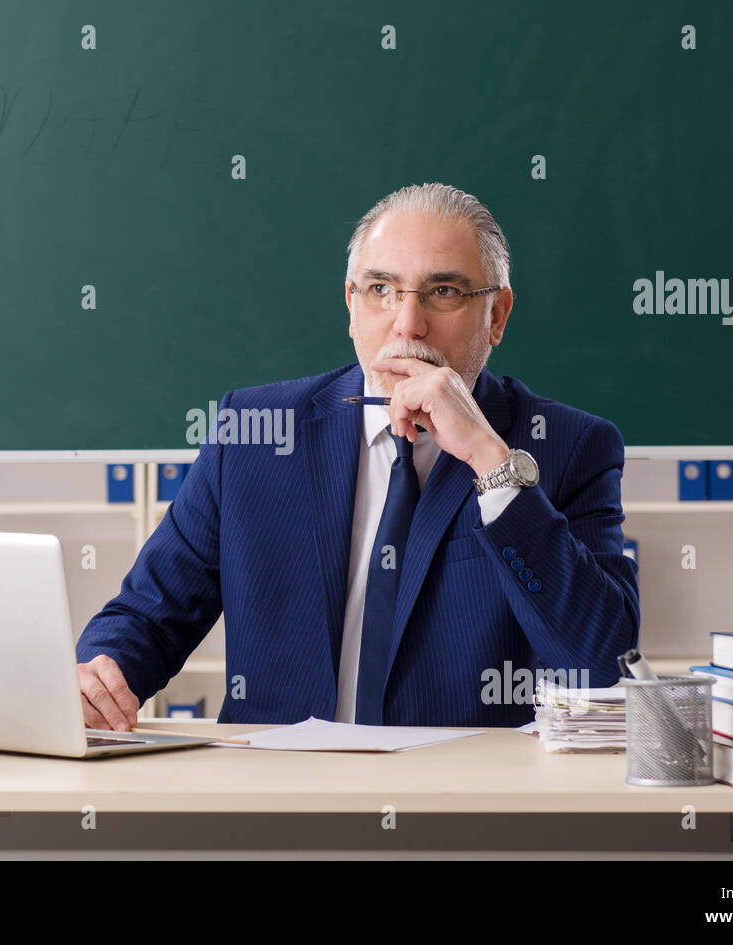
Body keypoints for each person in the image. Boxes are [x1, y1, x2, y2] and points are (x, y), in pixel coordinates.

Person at [75, 182, 639, 728]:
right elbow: (148, 617)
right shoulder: (252, 435)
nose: (407, 323)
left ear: (496, 316)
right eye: (381, 290)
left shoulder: (569, 447)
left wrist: (491, 464)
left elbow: (599, 665)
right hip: (278, 798)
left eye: (443, 292)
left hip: (461, 803)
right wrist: (98, 680)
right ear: (351, 305)